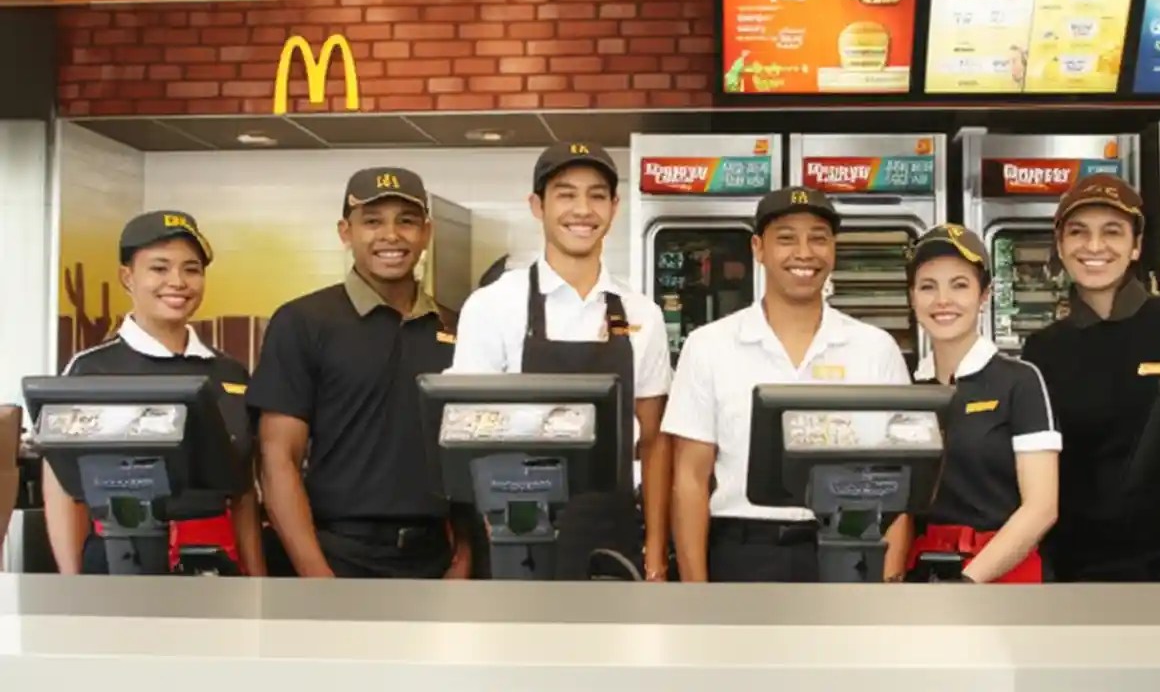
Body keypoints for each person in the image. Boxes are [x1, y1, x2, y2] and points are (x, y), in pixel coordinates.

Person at [662, 186, 913, 583]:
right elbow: (690, 478)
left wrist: (890, 580)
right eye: (786, 238)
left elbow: (897, 479)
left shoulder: (875, 348)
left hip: (853, 543)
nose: (804, 252)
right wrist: (695, 589)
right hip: (743, 551)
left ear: (834, 248)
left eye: (818, 238)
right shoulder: (709, 346)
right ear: (758, 249)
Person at [449, 142, 673, 581]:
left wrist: (657, 556)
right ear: (537, 206)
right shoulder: (493, 305)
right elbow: (465, 434)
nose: (582, 210)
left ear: (614, 206)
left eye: (596, 195)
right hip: (513, 530)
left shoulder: (641, 312)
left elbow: (655, 441)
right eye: (566, 194)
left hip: (612, 531)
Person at [1021, 174, 1160, 582]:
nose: (1094, 247)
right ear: (1060, 245)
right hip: (1076, 568)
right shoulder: (1043, 349)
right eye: (1079, 232)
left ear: (1136, 246)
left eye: (1112, 232)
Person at [247, 167, 471, 579]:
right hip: (335, 555)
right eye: (372, 221)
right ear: (345, 232)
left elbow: (471, 455)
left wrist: (464, 560)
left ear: (427, 232)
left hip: (434, 559)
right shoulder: (303, 322)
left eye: (406, 221)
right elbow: (278, 457)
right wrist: (316, 575)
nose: (391, 235)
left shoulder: (455, 327)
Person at [44, 211, 264, 576]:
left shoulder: (229, 372)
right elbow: (63, 488)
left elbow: (242, 494)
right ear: (127, 277)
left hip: (216, 563)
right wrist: (73, 581)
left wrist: (257, 579)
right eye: (159, 269)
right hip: (119, 561)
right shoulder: (90, 370)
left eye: (191, 269)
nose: (177, 282)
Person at [901, 224, 1059, 584]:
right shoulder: (908, 387)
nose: (943, 300)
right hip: (923, 572)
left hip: (1003, 573)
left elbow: (1041, 508)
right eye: (928, 286)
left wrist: (968, 581)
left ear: (984, 294)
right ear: (912, 297)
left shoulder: (1020, 381)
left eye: (960, 285)